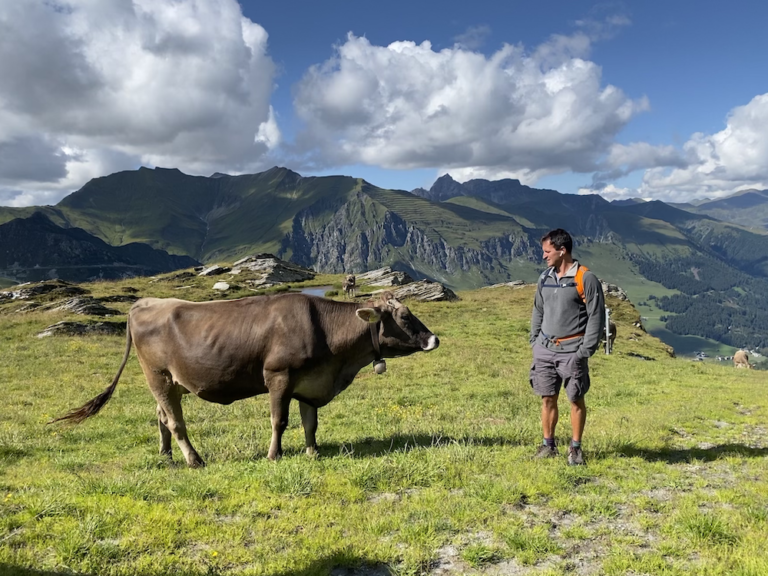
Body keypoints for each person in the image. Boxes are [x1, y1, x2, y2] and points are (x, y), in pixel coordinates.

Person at [529, 229, 605, 465]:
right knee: (547, 398)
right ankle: (548, 445)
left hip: (573, 352)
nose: (544, 256)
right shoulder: (545, 278)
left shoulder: (585, 278)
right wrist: (535, 341)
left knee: (575, 399)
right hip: (544, 350)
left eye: (547, 251)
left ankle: (575, 448)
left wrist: (584, 351)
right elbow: (538, 310)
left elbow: (596, 317)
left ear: (562, 251)